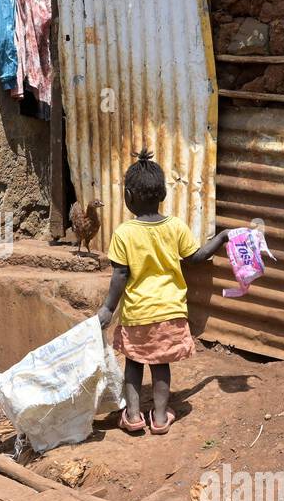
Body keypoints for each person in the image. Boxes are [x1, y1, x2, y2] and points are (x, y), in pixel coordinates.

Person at [95, 149, 229, 435]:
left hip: (137, 313)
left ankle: (132, 417)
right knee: (160, 364)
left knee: (134, 361)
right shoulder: (176, 227)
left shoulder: (124, 233)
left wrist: (108, 308)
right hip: (170, 312)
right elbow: (196, 257)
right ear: (163, 195)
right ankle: (159, 418)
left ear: (128, 196)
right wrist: (222, 237)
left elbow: (120, 274)